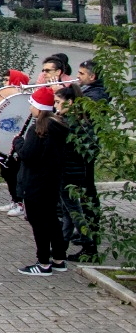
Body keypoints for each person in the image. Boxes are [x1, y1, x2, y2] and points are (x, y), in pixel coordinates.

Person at [17, 86, 70, 276]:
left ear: (39, 108)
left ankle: (43, 262)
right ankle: (59, 258)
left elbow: (28, 155)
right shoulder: (59, 126)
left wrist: (18, 144)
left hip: (35, 183)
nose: (30, 107)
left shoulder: (37, 129)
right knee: (52, 220)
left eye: (32, 104)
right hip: (51, 182)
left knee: (38, 222)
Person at [66, 61, 107, 261]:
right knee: (85, 196)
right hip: (83, 153)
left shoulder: (96, 95)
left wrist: (70, 94)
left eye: (82, 73)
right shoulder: (91, 91)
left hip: (85, 153)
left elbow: (83, 115)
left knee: (87, 197)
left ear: (92, 77)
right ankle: (87, 241)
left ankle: (90, 247)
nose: (78, 76)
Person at [0, 69, 31, 216]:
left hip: (18, 144)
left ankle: (20, 203)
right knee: (6, 172)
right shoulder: (4, 99)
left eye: (7, 80)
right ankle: (13, 199)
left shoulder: (23, 100)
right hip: (5, 143)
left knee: (16, 174)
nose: (4, 83)